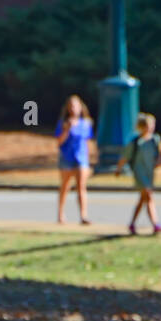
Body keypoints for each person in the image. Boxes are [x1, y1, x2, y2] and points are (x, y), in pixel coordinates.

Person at [116, 112, 161, 236]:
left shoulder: (155, 140)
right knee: (148, 196)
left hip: (150, 173)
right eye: (148, 125)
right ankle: (155, 223)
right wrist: (119, 169)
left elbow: (158, 156)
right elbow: (125, 157)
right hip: (139, 173)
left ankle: (132, 223)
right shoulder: (136, 142)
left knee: (143, 199)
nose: (151, 127)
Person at [55, 94, 94, 224]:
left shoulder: (86, 123)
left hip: (81, 158)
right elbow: (59, 142)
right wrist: (67, 129)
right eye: (70, 106)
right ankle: (60, 214)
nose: (73, 108)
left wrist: (89, 160)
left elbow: (87, 142)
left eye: (75, 106)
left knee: (81, 187)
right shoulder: (63, 123)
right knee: (65, 186)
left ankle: (83, 216)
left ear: (80, 107)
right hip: (67, 157)